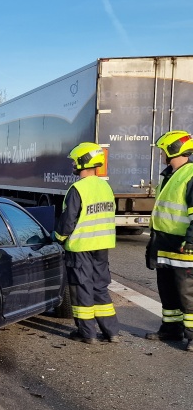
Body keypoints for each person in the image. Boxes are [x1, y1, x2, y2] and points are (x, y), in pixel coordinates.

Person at [53, 142, 120, 344]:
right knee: (100, 287)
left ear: (83, 161)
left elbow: (68, 220)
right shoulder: (105, 186)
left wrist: (58, 238)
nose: (73, 165)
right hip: (102, 245)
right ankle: (112, 332)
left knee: (81, 288)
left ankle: (87, 333)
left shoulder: (77, 189)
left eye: (75, 161)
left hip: (81, 246)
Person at [145, 130, 193, 350]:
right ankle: (171, 329)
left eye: (163, 150)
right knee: (167, 289)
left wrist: (190, 241)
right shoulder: (169, 175)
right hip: (164, 241)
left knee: (187, 292)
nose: (161, 154)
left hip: (183, 244)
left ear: (174, 150)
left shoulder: (190, 175)